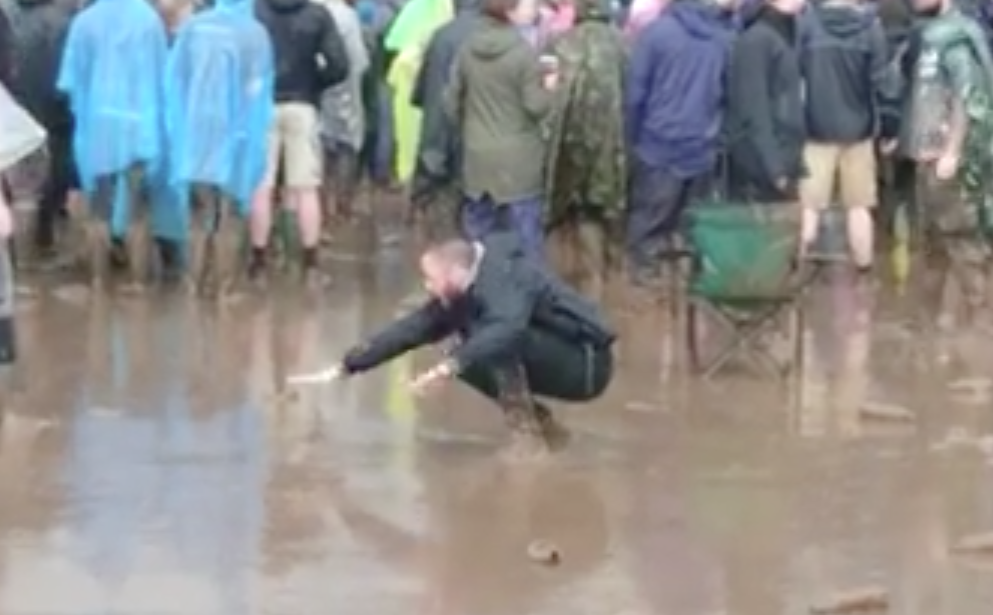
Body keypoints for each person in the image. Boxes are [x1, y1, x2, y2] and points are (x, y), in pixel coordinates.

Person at [303, 233, 616, 455]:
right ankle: (543, 427)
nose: (428, 286)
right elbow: (413, 329)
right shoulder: (462, 290)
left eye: (432, 278)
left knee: (489, 341)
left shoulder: (504, 275)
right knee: (461, 344)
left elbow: (507, 328)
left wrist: (449, 368)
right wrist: (349, 364)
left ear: (455, 273)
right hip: (551, 351)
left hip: (588, 364)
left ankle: (527, 440)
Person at [892, 0, 993, 330]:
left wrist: (952, 151)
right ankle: (927, 321)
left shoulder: (956, 38)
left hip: (946, 162)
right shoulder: (929, 35)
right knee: (932, 245)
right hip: (924, 156)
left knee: (962, 243)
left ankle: (980, 323)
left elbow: (968, 97)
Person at [164, 0, 274, 298]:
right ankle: (224, 291)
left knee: (200, 214)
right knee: (231, 214)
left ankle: (193, 287)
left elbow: (174, 82)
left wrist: (179, 130)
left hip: (196, 135)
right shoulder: (256, 34)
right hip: (238, 137)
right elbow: (259, 91)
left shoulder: (194, 28)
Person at [58, 0, 168, 294]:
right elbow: (163, 76)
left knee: (98, 207)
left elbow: (71, 80)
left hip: (98, 126)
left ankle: (98, 280)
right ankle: (138, 281)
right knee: (138, 208)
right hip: (139, 124)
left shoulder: (84, 22)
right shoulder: (149, 20)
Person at [624, 0, 736, 287]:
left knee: (649, 218)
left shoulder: (656, 34)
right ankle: (689, 275)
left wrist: (632, 136)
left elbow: (636, 92)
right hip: (702, 140)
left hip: (658, 141)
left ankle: (646, 275)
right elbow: (726, 93)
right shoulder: (721, 38)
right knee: (694, 220)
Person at [445, 0, 556, 260]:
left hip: (477, 160)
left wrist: (470, 128)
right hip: (519, 164)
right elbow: (535, 106)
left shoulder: (467, 49)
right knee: (526, 240)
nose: (533, 8)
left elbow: (451, 104)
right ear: (510, 11)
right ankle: (526, 295)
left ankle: (480, 293)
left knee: (478, 240)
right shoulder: (523, 53)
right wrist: (550, 89)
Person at [251, 0, 349, 288]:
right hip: (302, 105)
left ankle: (258, 260)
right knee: (305, 187)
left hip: (262, 105)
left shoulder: (255, 11)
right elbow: (339, 65)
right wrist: (314, 84)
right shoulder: (317, 15)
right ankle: (310, 263)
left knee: (261, 185)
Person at [798, 0, 900, 271]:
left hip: (815, 131)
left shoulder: (808, 23)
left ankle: (797, 267)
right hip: (859, 132)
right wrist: (890, 127)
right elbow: (883, 82)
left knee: (809, 206)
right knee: (859, 206)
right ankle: (864, 270)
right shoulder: (870, 28)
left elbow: (794, 76)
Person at [544, 0, 627, 301]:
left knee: (559, 217)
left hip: (564, 147)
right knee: (597, 217)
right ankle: (597, 291)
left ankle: (556, 291)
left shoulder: (559, 42)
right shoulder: (621, 43)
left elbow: (545, 95)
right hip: (607, 147)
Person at [6, 0, 77, 264]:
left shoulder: (14, 17)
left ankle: (17, 247)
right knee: (57, 167)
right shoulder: (63, 20)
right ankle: (43, 235)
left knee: (15, 175)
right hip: (54, 103)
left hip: (20, 100)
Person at [724, 0, 806, 204]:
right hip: (759, 165)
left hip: (786, 156)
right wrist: (774, 168)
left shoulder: (789, 33)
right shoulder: (757, 40)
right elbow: (754, 108)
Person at [409, 0, 479, 237]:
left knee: (447, 234)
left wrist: (430, 161)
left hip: (448, 145)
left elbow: (426, 96)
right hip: (491, 152)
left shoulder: (442, 37)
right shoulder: (507, 37)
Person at [317, 0, 369, 227]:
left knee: (319, 148)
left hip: (314, 89)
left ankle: (323, 208)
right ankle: (342, 205)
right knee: (346, 146)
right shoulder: (347, 16)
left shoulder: (311, 9)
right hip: (345, 89)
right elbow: (359, 61)